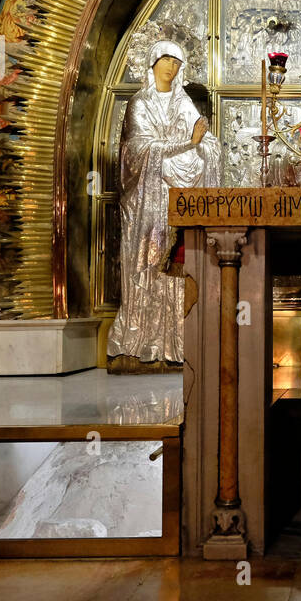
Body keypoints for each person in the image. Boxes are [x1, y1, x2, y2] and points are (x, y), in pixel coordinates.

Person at [107, 40, 221, 364]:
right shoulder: (139, 104)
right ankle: (142, 335)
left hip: (176, 200)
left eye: (176, 62)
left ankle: (178, 339)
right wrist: (187, 143)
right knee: (149, 263)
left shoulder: (183, 103)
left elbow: (205, 142)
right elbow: (138, 151)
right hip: (147, 202)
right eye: (166, 59)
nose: (171, 67)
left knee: (179, 266)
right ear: (153, 63)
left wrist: (203, 144)